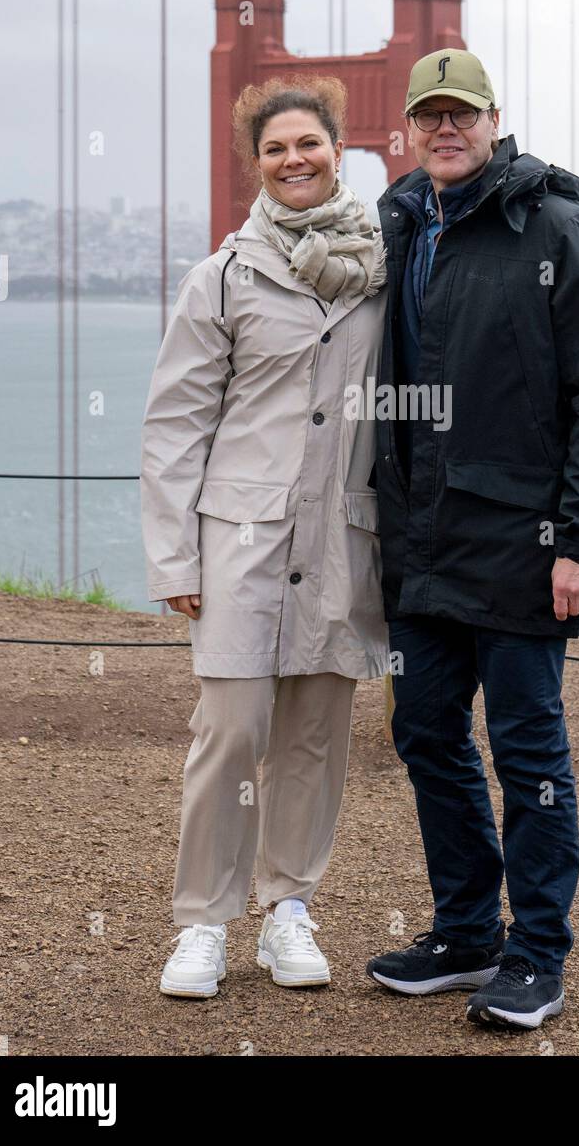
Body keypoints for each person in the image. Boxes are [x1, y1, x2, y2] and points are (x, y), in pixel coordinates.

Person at [366, 48, 579, 1030]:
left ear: (494, 122)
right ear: (405, 131)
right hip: (423, 545)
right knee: (425, 732)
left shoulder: (559, 229)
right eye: (428, 116)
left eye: (462, 114)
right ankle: (464, 931)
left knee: (525, 749)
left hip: (525, 547)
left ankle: (535, 956)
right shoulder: (398, 227)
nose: (445, 130)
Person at [139, 74, 390, 998]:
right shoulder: (224, 277)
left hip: (340, 538)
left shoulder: (381, 269)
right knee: (231, 729)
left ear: (338, 152)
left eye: (310, 145)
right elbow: (176, 424)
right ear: (258, 161)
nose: (295, 160)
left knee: (317, 737)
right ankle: (204, 919)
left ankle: (290, 909)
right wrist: (174, 554)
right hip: (237, 540)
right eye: (277, 148)